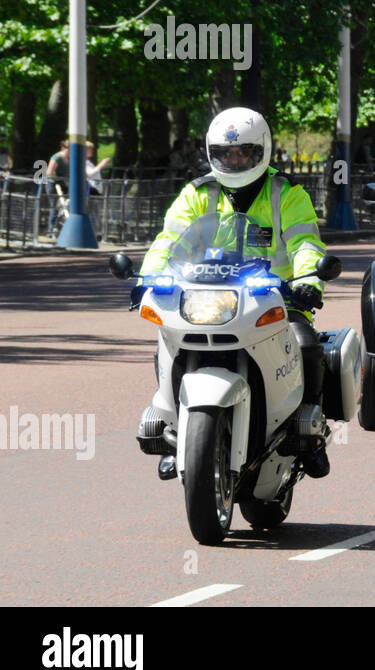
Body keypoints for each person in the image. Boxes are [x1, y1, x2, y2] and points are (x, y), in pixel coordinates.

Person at [138, 108, 332, 478]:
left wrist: (308, 279)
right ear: (213, 154)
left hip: (277, 298)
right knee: (171, 341)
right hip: (208, 297)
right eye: (226, 153)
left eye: (242, 152)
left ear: (261, 150)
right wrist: (147, 277)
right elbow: (169, 239)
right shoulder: (197, 193)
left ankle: (308, 434)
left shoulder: (286, 194)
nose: (234, 159)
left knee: (306, 344)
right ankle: (178, 434)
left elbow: (305, 242)